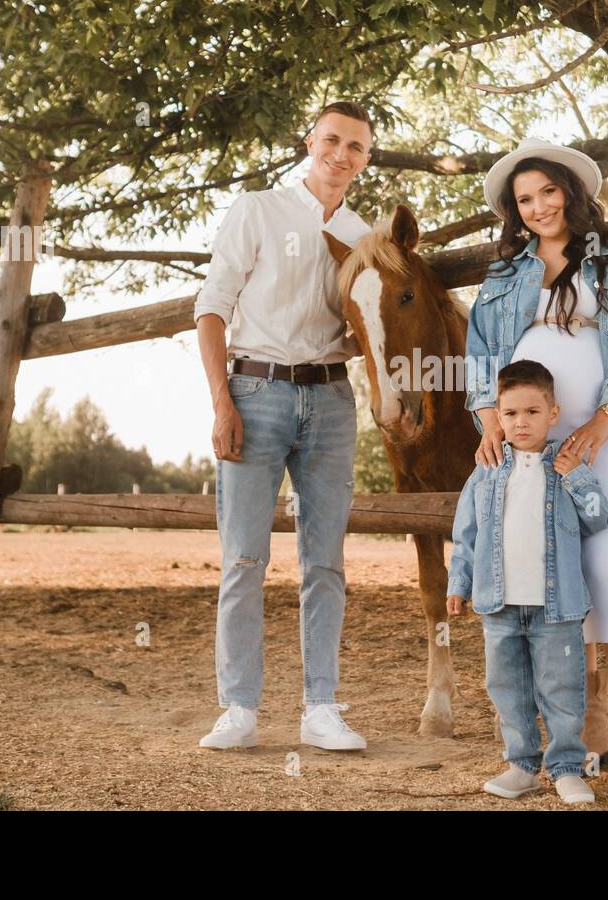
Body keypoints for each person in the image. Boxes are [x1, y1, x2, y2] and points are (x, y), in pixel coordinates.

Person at [465, 138, 608, 808]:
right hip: (532, 448)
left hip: (606, 440)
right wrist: (490, 420)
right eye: (525, 199)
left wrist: (600, 422)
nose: (538, 206)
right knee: (556, 570)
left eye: (548, 191)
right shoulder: (503, 279)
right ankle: (587, 723)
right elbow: (479, 358)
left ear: (572, 192)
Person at [193, 102, 375, 752]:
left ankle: (321, 707)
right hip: (254, 391)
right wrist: (222, 401)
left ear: (366, 158)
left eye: (355, 146)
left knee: (325, 561)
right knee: (244, 555)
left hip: (330, 400)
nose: (341, 154)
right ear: (310, 141)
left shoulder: (363, 236)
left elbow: (369, 323)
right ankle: (238, 709)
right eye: (332, 139)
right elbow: (211, 308)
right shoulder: (257, 210)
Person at [448, 360, 608, 805]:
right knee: (507, 689)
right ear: (497, 417)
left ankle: (566, 768)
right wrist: (457, 584)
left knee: (562, 689)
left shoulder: (565, 465)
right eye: (511, 413)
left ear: (552, 414)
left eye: (533, 412)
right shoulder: (487, 469)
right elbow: (466, 533)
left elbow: (599, 517)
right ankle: (521, 765)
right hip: (498, 606)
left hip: (556, 610)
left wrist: (575, 474)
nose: (521, 422)